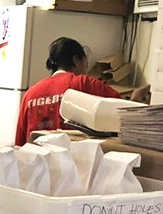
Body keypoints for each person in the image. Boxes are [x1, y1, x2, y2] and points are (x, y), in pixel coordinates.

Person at [15, 37, 150, 146]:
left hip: (38, 171)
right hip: (72, 169)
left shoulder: (30, 94)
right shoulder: (82, 83)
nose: (86, 70)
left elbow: (20, 145)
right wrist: (136, 98)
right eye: (85, 65)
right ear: (75, 60)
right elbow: (122, 113)